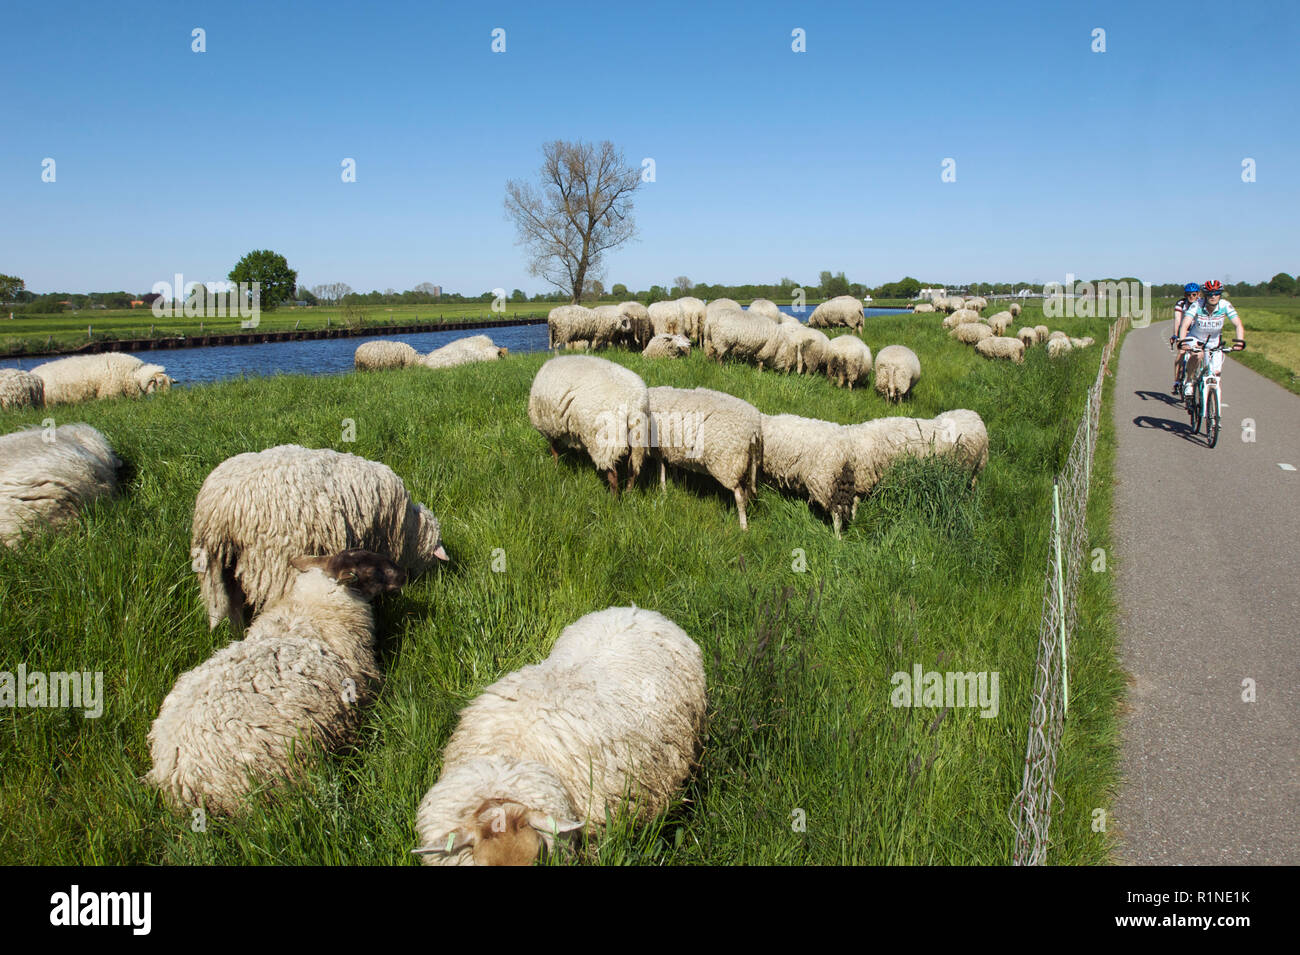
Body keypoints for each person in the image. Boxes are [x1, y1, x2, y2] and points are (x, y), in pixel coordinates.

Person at [1177, 280, 1245, 397]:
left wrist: (1240, 341)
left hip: (1214, 341)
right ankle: (1189, 382)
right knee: (1196, 355)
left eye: (1216, 293)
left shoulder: (1225, 305)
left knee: (1215, 374)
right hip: (1196, 338)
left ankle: (1212, 404)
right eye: (1209, 294)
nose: (1213, 296)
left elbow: (1238, 324)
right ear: (1205, 295)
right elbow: (1185, 325)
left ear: (1220, 294)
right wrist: (1182, 341)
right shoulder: (1197, 305)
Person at [1171, 282, 1201, 393]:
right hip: (1184, 330)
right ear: (1185, 295)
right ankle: (1177, 380)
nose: (1191, 297)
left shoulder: (1201, 303)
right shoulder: (1181, 303)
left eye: (1194, 294)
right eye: (1189, 294)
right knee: (1181, 353)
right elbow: (1178, 320)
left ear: (1198, 294)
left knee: (1199, 353)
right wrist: (1176, 335)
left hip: (1196, 331)